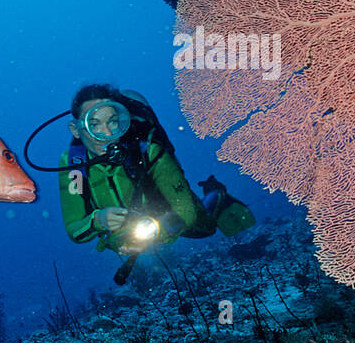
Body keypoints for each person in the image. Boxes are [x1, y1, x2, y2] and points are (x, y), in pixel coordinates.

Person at [56, 83, 255, 283]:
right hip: (126, 230)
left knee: (205, 229)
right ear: (75, 129)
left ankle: (215, 193)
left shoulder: (148, 150)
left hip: (164, 209)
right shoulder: (74, 166)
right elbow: (75, 228)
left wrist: (152, 233)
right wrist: (98, 220)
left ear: (122, 121)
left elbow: (186, 213)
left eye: (113, 122)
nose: (106, 134)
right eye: (94, 124)